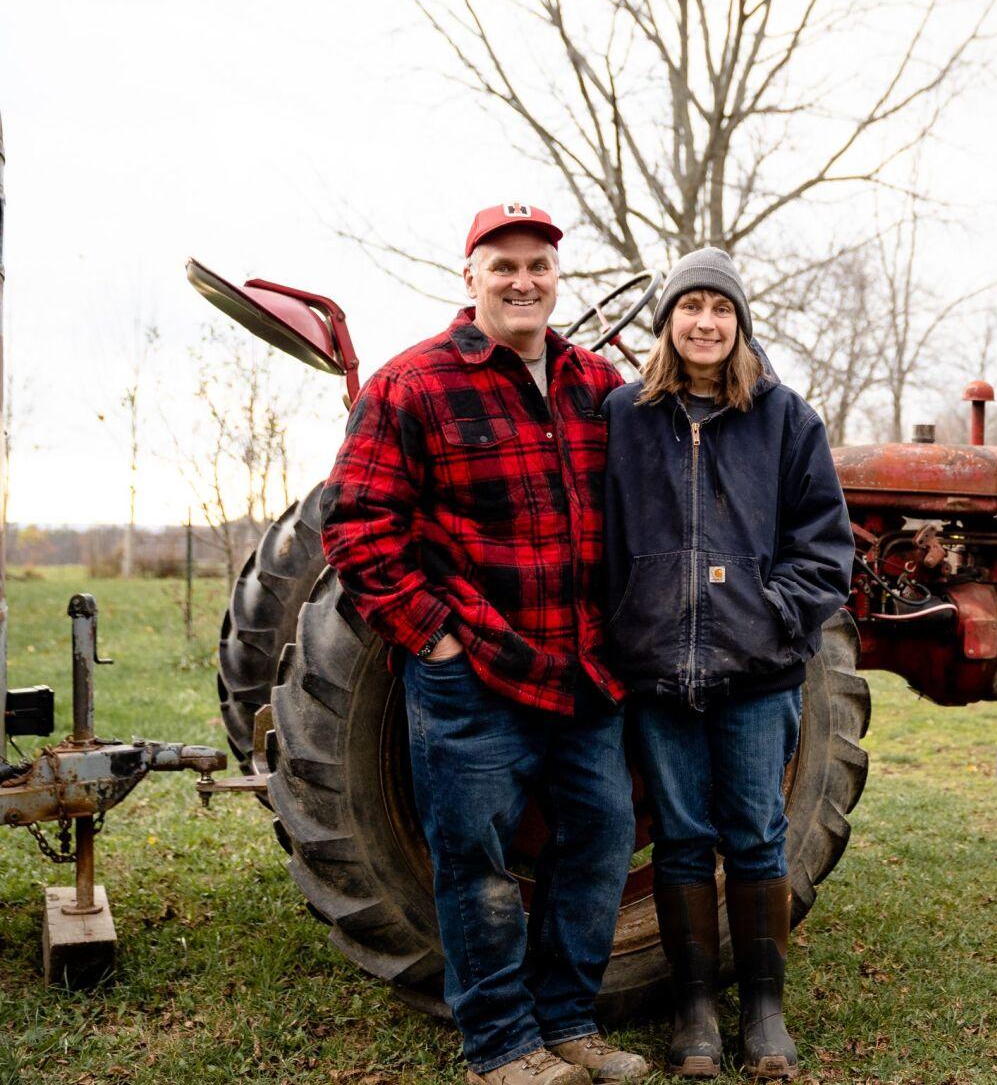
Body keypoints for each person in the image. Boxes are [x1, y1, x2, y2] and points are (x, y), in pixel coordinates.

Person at [321, 203, 648, 1085]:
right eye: (502, 265)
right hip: (476, 672)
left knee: (600, 842)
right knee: (477, 864)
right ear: (469, 277)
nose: (522, 281)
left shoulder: (597, 384)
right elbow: (356, 523)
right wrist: (431, 637)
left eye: (538, 264)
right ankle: (501, 1045)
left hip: (582, 670)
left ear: (557, 277)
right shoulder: (413, 384)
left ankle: (569, 1022)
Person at [601, 248, 852, 1080]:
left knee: (755, 837)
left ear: (740, 325)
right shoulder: (625, 417)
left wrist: (770, 618)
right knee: (679, 841)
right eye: (690, 306)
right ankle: (694, 1010)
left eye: (720, 308)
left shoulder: (785, 419)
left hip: (756, 674)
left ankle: (763, 1011)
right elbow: (598, 537)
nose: (704, 322)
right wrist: (628, 619)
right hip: (658, 673)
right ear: (667, 321)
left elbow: (824, 549)